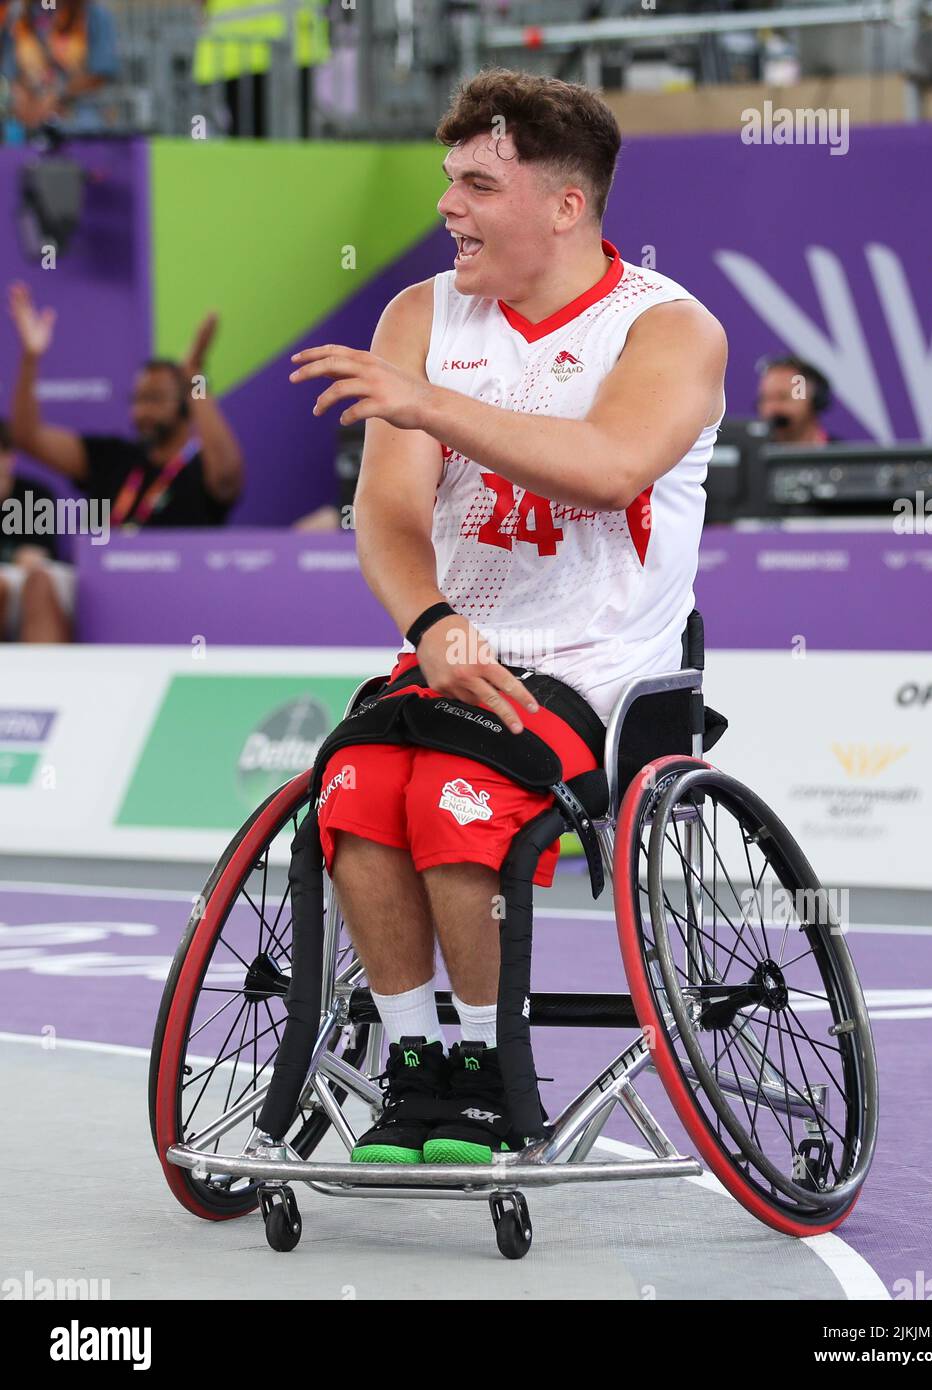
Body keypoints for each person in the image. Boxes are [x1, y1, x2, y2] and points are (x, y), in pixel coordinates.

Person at [288, 69, 727, 1165]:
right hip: (457, 649)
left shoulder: (670, 331)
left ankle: (489, 1066)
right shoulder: (423, 315)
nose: (449, 206)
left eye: (479, 184)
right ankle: (417, 1060)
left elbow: (608, 468)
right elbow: (388, 511)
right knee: (352, 789)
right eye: (449, 180)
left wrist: (430, 401)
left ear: (565, 206)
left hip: (602, 670)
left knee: (454, 791)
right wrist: (432, 619)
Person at [7, 282, 244, 526]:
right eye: (137, 399)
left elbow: (227, 479)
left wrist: (194, 373)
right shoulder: (113, 459)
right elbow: (27, 438)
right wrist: (30, 358)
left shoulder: (204, 468)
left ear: (186, 404)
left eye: (154, 398)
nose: (142, 410)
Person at [0, 0, 119, 140]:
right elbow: (10, 71)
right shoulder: (19, 14)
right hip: (30, 120)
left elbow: (100, 73)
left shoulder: (94, 14)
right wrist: (22, 99)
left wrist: (56, 95)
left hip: (80, 118)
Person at [0, 415, 73, 640]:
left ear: (9, 457)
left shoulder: (34, 495)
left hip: (29, 582)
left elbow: (35, 555)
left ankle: (44, 671)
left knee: (39, 582)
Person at [756, 354, 834, 445]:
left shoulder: (842, 456)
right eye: (765, 399)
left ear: (814, 400)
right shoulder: (753, 457)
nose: (772, 408)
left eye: (783, 397)